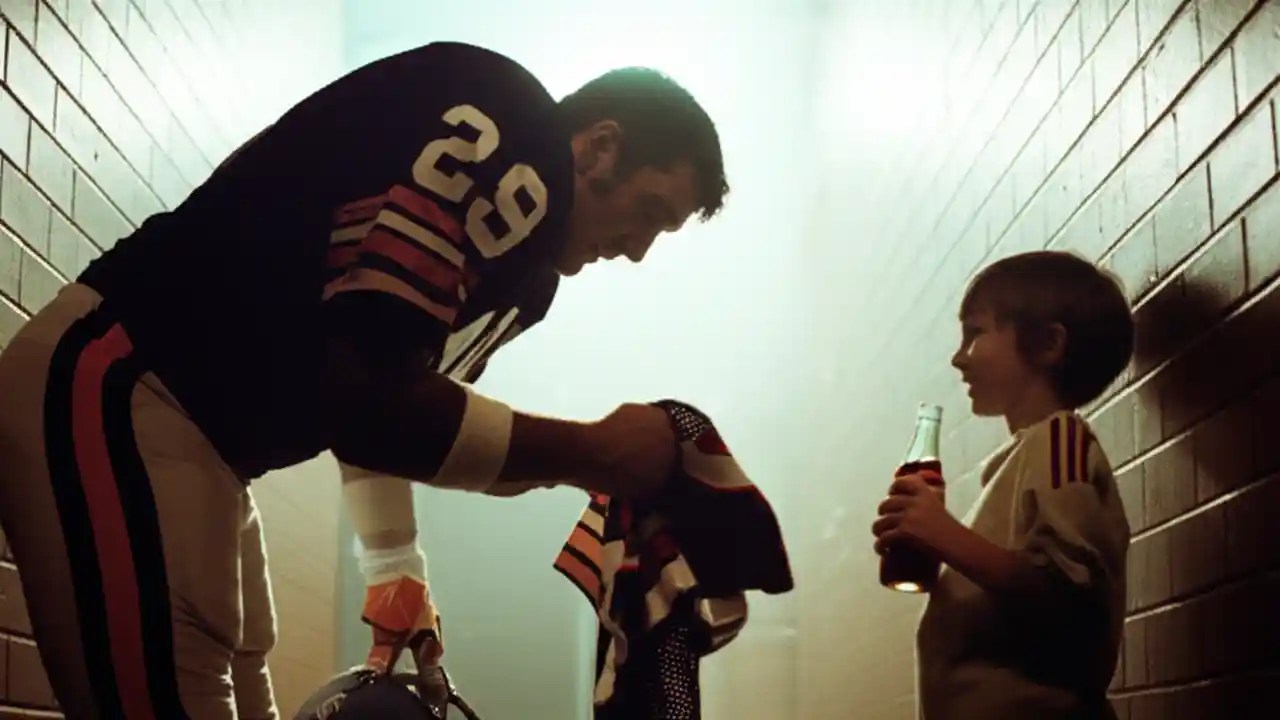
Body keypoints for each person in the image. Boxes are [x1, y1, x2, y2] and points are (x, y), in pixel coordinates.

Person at [0, 39, 728, 718]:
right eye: (647, 213)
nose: (636, 251)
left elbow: (390, 407)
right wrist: (592, 452)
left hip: (204, 446)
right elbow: (374, 403)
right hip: (128, 383)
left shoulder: (529, 283)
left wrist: (394, 567)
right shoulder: (518, 129)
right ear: (599, 148)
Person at [870, 251, 1134, 719]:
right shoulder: (1020, 463)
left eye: (976, 333)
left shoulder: (1060, 440)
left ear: (1050, 344)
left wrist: (945, 535)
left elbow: (1071, 602)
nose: (958, 357)